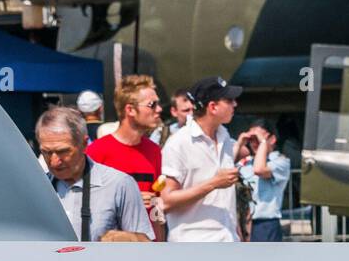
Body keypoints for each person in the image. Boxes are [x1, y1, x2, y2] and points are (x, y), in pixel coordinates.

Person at [158, 76, 254, 242]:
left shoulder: (225, 137)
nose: (235, 104)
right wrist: (213, 183)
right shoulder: (178, 144)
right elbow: (166, 201)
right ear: (213, 107)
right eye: (229, 100)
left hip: (228, 241)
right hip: (192, 246)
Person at [35, 107, 153, 241]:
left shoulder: (120, 184)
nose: (54, 161)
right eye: (46, 152)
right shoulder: (35, 188)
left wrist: (129, 239)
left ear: (84, 144)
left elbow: (145, 247)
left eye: (63, 151)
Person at [89, 75, 167, 241]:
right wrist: (132, 199)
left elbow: (156, 207)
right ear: (130, 110)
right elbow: (85, 203)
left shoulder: (153, 151)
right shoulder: (97, 151)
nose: (159, 109)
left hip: (146, 247)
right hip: (109, 248)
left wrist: (160, 245)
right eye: (152, 105)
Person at [238, 120, 292, 242]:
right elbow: (225, 169)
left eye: (258, 138)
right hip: (244, 223)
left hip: (265, 224)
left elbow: (259, 169)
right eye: (252, 139)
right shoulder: (246, 162)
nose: (254, 143)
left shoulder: (280, 161)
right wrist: (239, 144)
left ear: (272, 139)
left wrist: (263, 142)